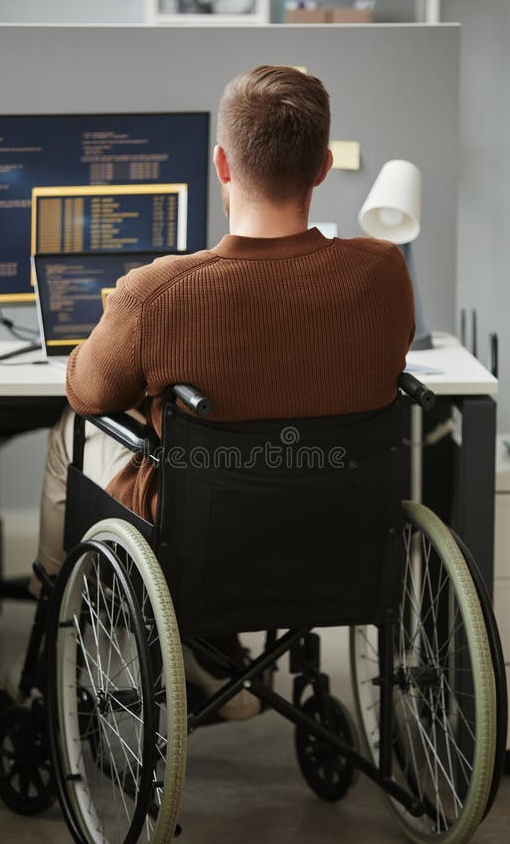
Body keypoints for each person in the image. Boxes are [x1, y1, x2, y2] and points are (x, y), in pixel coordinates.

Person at [31, 65, 415, 719]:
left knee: (74, 434)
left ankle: (58, 619)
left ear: (221, 164)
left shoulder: (158, 292)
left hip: (206, 541)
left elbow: (88, 393)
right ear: (322, 167)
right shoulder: (382, 272)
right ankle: (217, 651)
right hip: (338, 538)